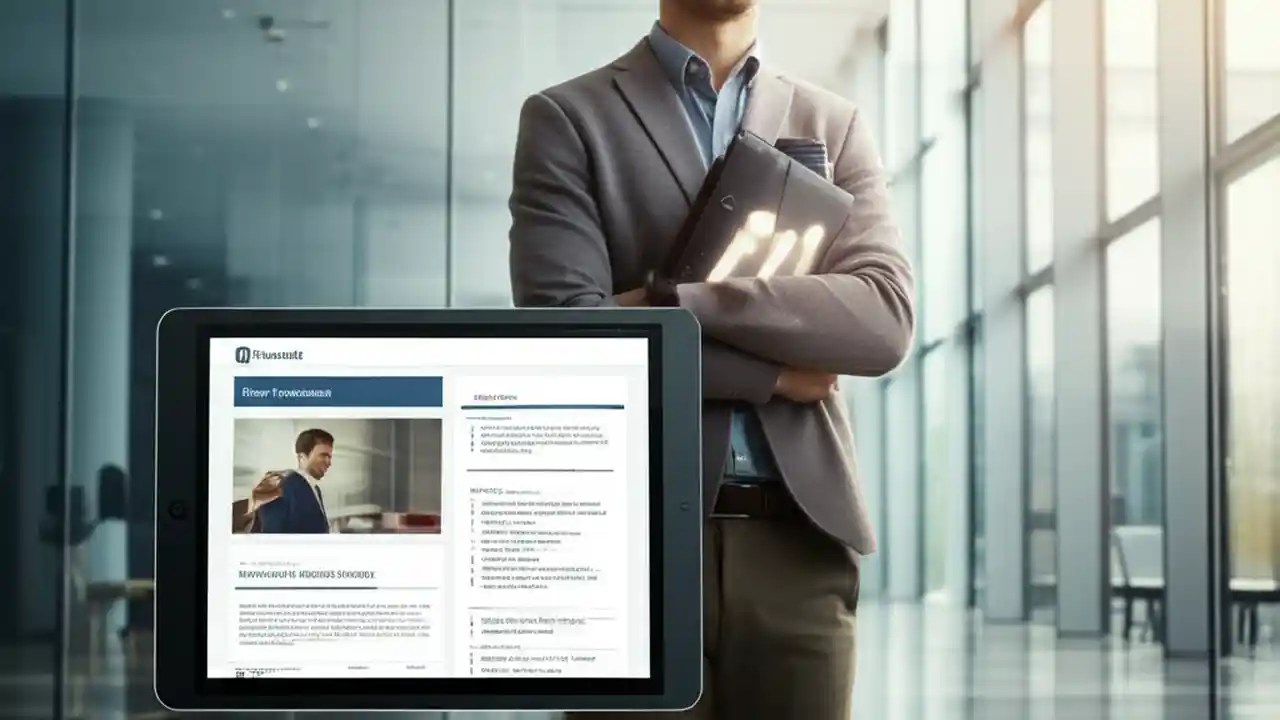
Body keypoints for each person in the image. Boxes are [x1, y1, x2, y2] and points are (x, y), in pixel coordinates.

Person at [508, 1, 914, 718]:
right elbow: (567, 344)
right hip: (630, 543)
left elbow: (882, 321)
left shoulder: (834, 123)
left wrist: (674, 301)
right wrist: (773, 375)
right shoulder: (568, 119)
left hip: (798, 546)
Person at [256, 428, 335, 535]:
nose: (329, 462)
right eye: (323, 455)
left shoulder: (315, 489)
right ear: (302, 457)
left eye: (330, 457)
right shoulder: (281, 486)